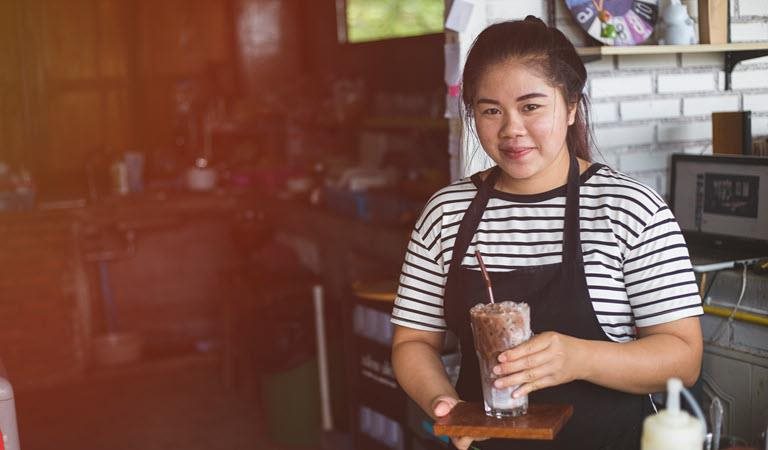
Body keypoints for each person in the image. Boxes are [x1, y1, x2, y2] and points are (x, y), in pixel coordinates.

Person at [390, 16, 703, 450]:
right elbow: (413, 340)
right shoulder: (446, 213)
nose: (511, 129)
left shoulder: (630, 209)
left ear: (571, 105)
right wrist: (443, 403)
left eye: (531, 106)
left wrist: (578, 358)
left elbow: (684, 357)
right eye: (490, 110)